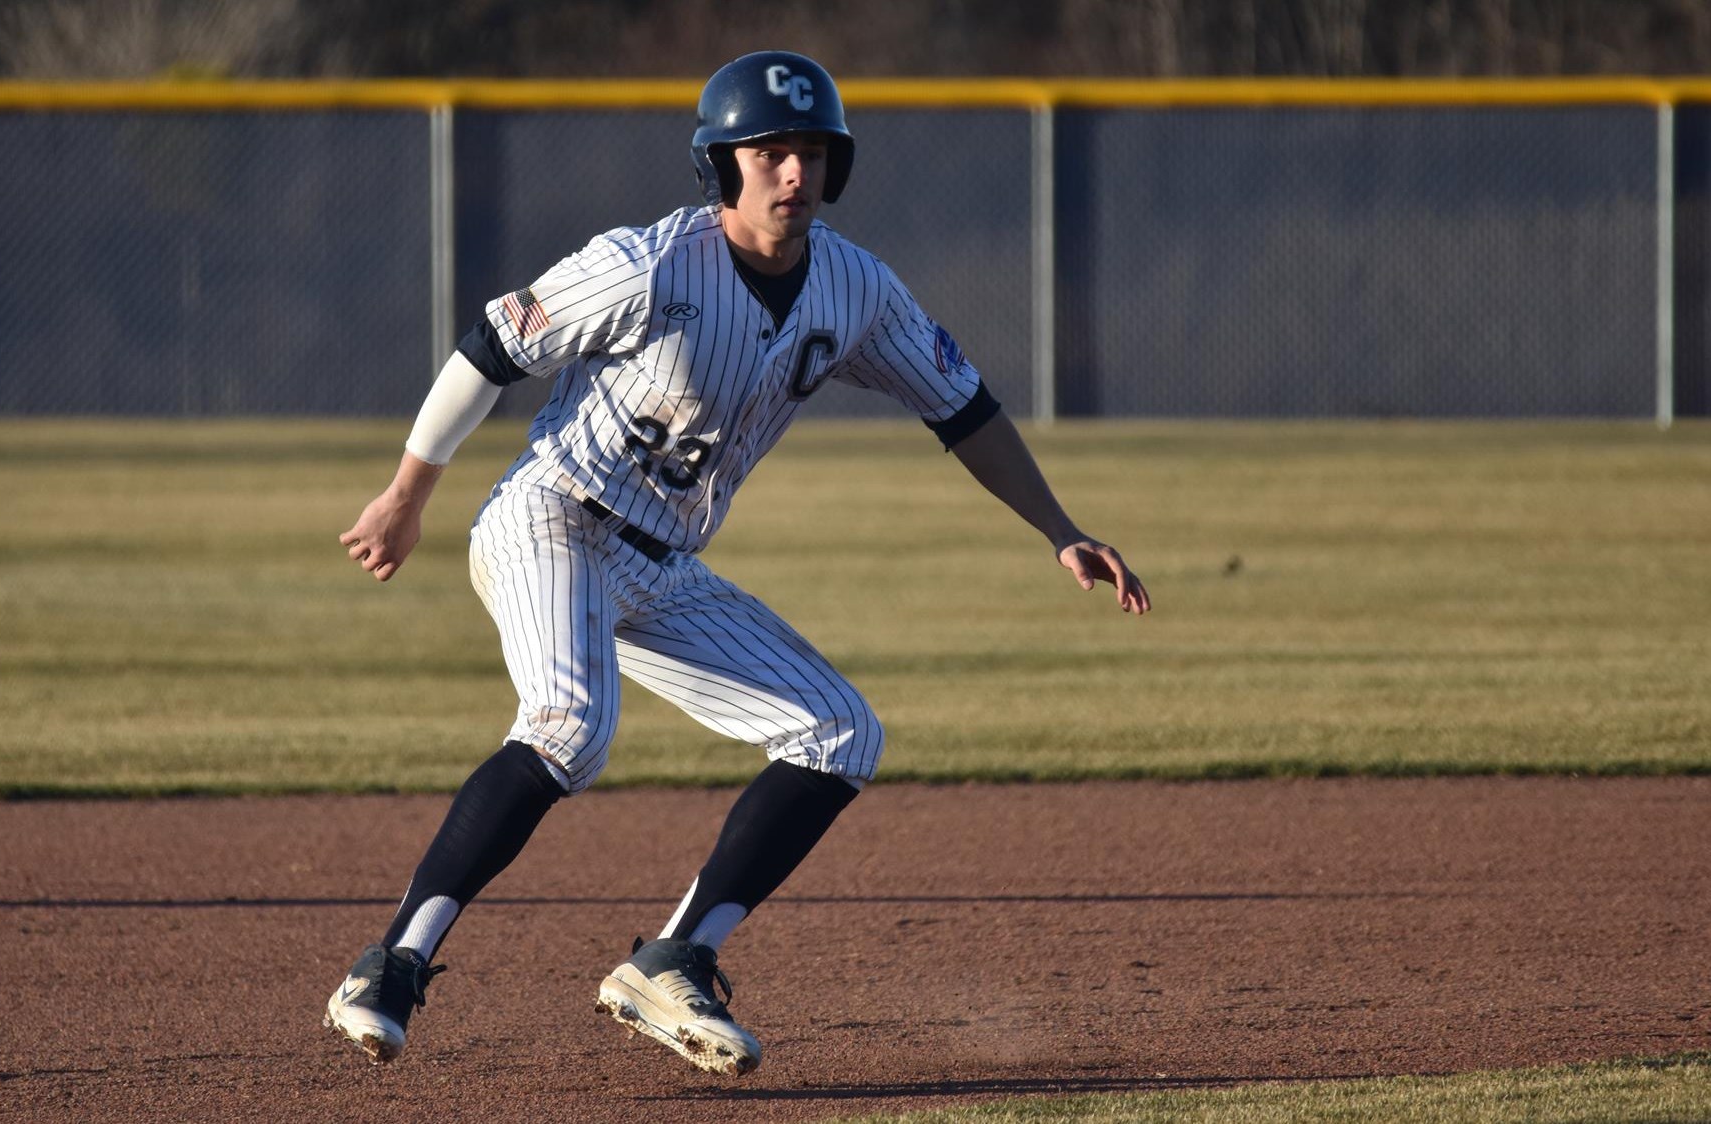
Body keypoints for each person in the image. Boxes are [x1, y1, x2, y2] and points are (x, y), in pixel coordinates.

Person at [323, 49, 1150, 1077]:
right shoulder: (646, 265)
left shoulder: (854, 287)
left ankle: (673, 960)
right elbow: (490, 347)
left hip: (663, 562)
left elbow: (963, 408)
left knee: (839, 731)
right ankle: (390, 964)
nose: (794, 172)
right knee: (569, 726)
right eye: (769, 152)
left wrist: (1058, 527)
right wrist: (405, 496)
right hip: (552, 518)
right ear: (721, 164)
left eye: (813, 152)